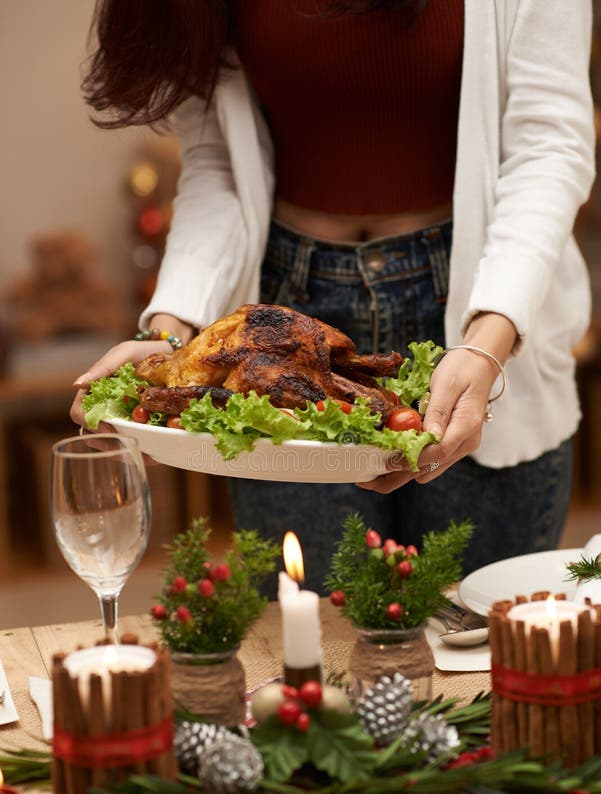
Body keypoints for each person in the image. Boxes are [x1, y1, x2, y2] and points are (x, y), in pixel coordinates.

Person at [71, 0, 596, 594]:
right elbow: (217, 162)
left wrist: (488, 342)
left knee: (486, 640)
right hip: (277, 331)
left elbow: (548, 147)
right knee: (313, 649)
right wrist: (172, 344)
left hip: (479, 297)